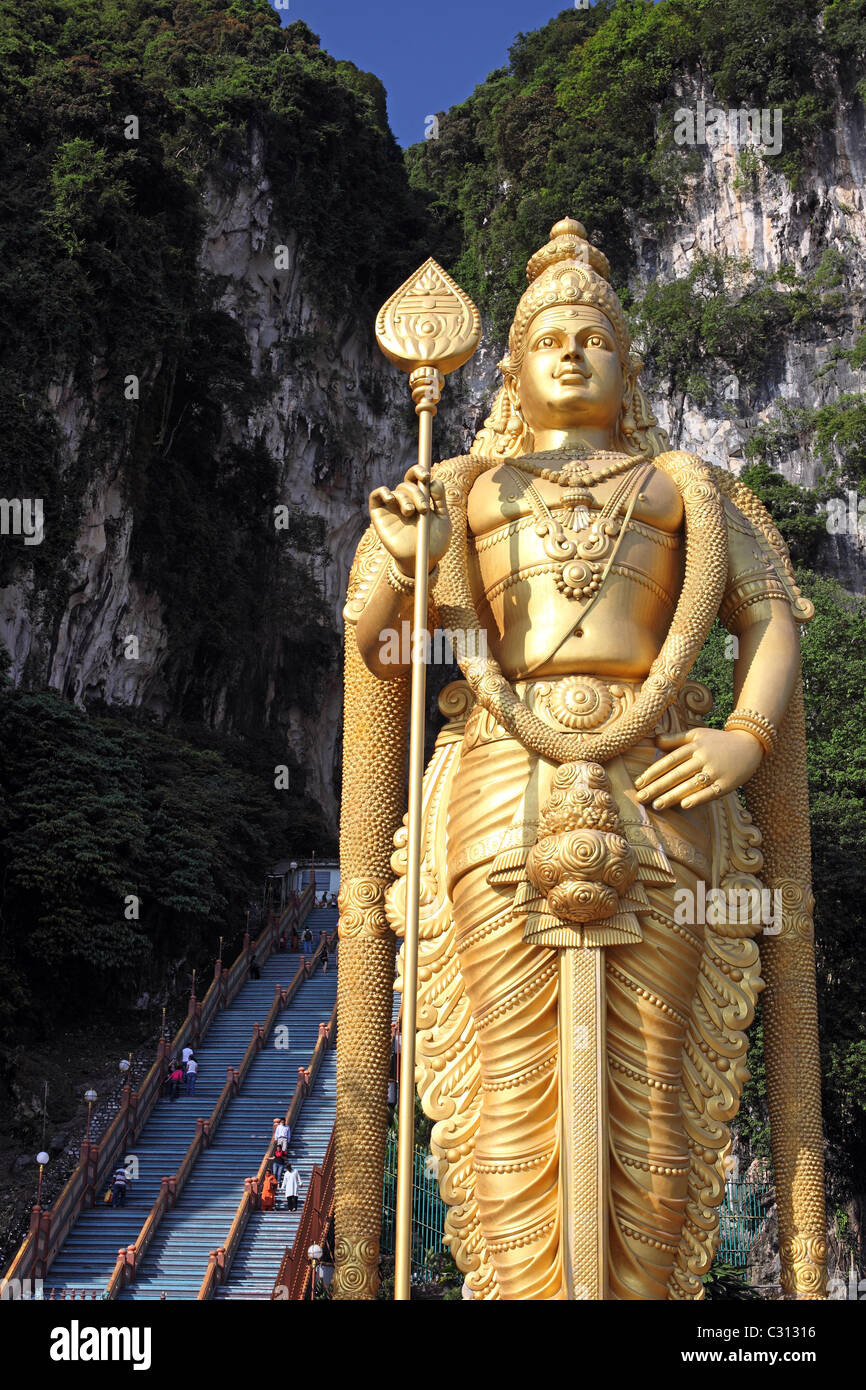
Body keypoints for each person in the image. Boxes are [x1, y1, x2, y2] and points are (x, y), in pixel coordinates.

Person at [335, 216, 824, 1301]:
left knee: (654, 1085)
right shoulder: (457, 486)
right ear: (506, 369)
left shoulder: (686, 485)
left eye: (592, 337)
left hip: (663, 779)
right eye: (547, 336)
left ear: (628, 368)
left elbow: (771, 617)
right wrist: (411, 567)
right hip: (496, 779)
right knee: (506, 1079)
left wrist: (741, 737)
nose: (569, 349)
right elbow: (381, 652)